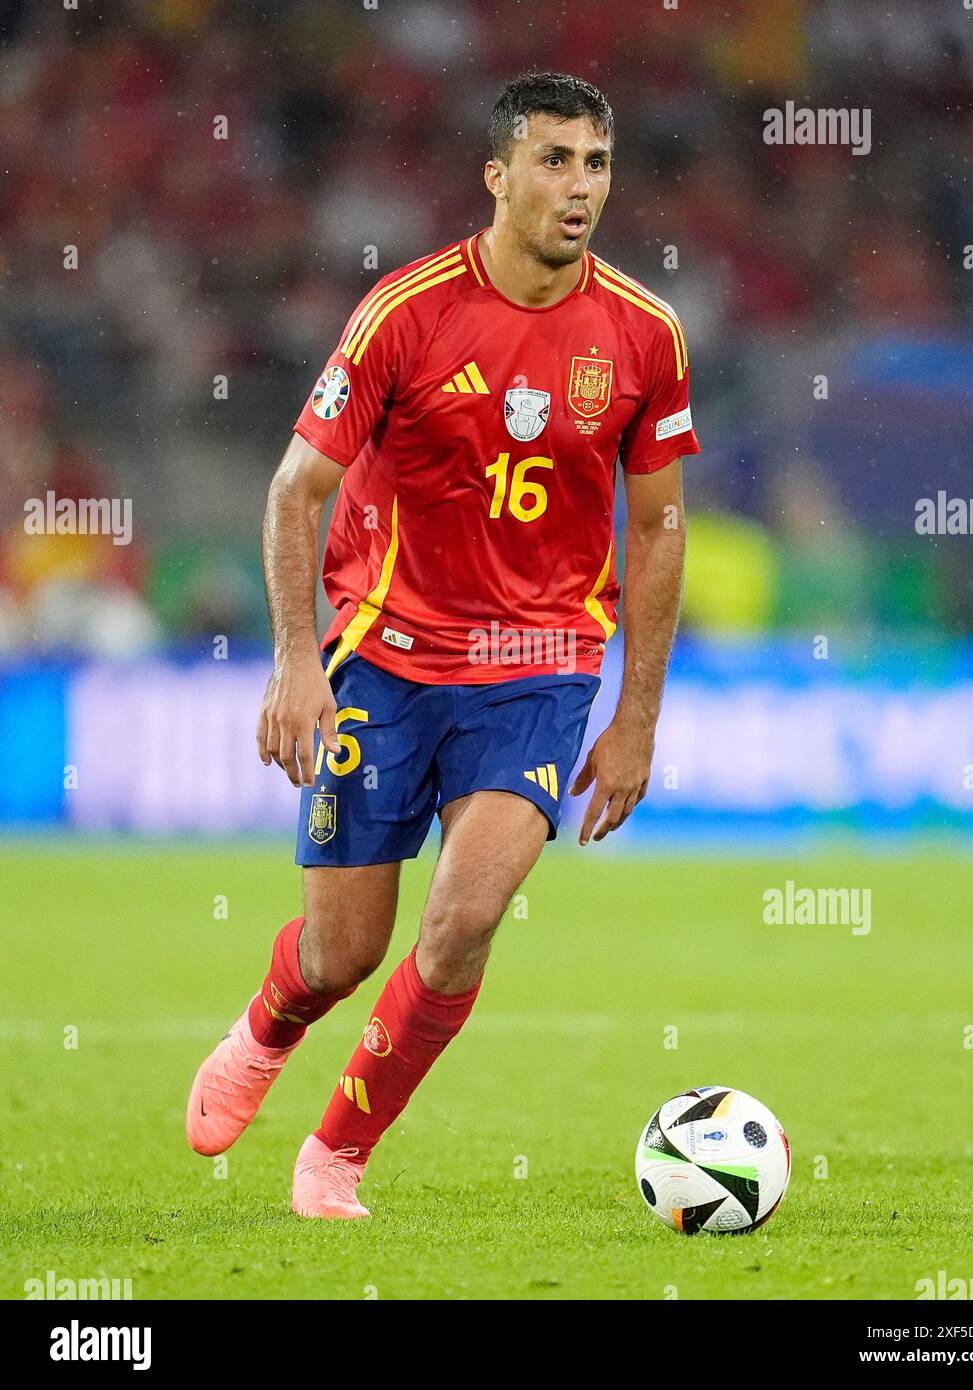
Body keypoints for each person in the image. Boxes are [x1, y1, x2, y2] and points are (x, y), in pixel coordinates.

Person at [186, 71, 699, 1219]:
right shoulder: (407, 312)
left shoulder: (645, 334)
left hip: (543, 663)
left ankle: (338, 1152)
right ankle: (271, 1025)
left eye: (598, 164)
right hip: (391, 652)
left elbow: (660, 526)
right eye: (555, 161)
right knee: (343, 953)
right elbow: (294, 490)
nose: (580, 188)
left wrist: (636, 717)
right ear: (498, 174)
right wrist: (295, 658)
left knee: (465, 919)